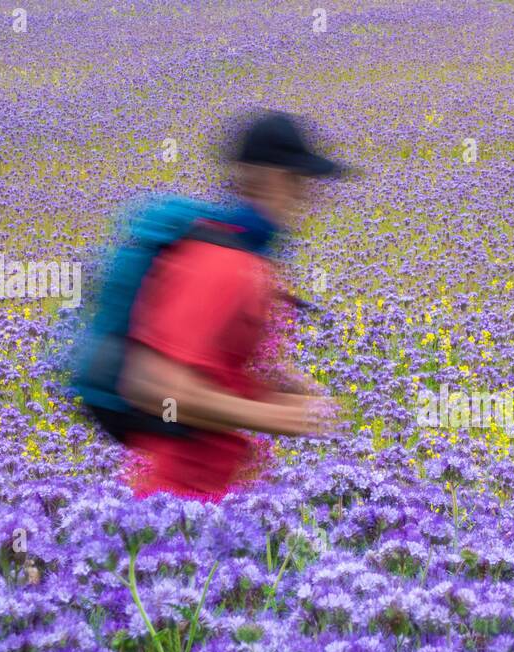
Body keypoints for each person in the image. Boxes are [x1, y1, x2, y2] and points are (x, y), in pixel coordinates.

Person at [117, 111, 344, 500]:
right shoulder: (222, 263)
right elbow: (152, 386)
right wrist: (274, 415)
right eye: (303, 183)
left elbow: (214, 367)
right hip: (172, 506)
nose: (313, 198)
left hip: (219, 497)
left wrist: (274, 382)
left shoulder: (251, 259)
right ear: (274, 179)